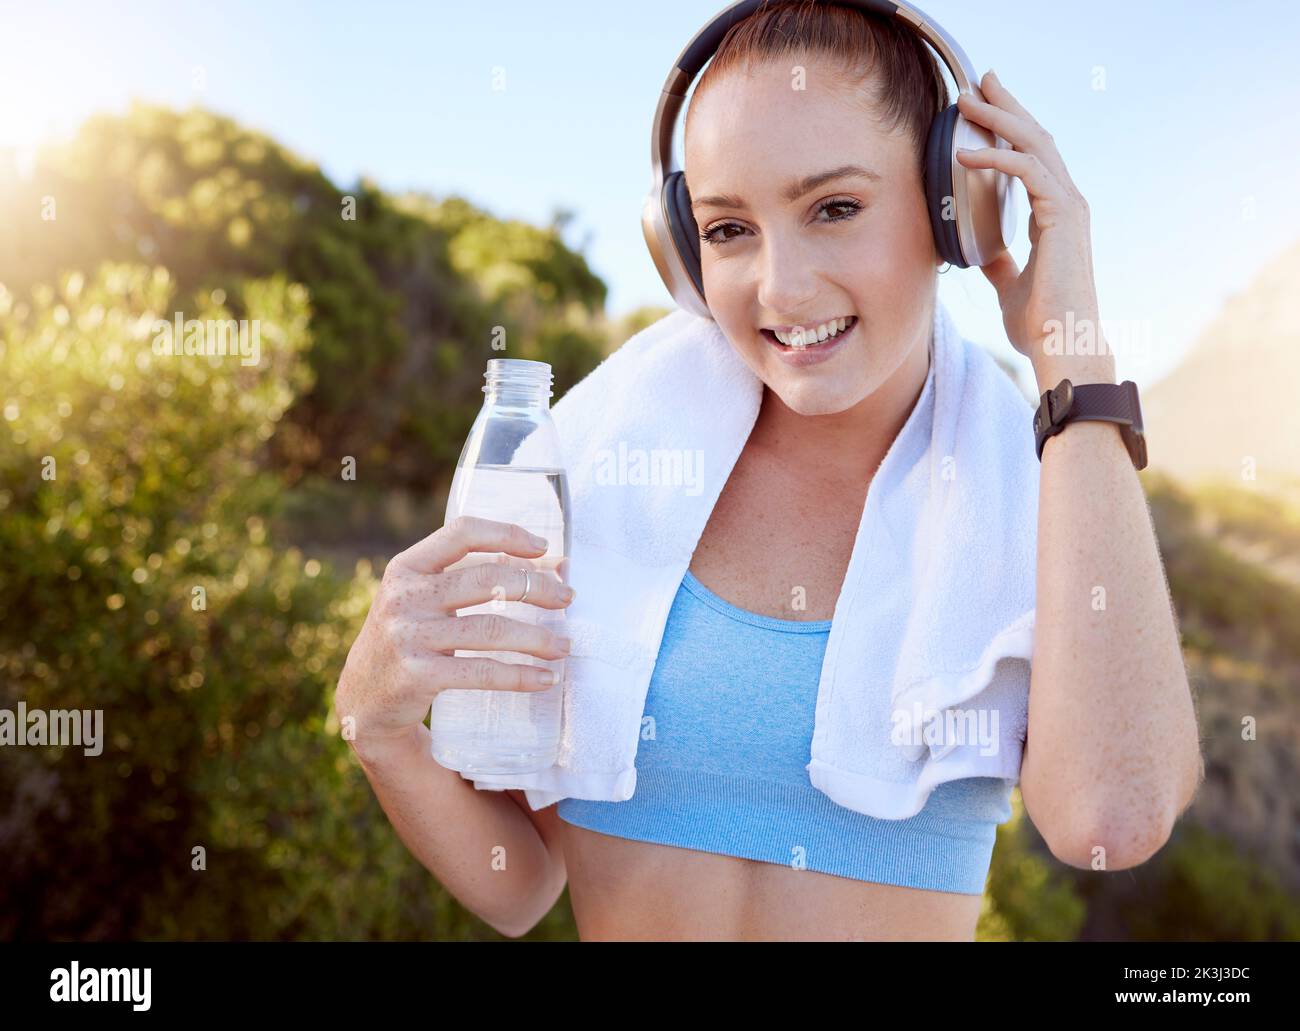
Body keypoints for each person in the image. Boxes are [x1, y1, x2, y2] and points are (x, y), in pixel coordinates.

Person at [333, 0, 1202, 941]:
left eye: (835, 208)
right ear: (679, 244)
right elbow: (519, 885)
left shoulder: (1040, 483)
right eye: (727, 230)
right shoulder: (601, 462)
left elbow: (1110, 818)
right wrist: (378, 726)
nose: (781, 288)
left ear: (954, 205)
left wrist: (1070, 359)